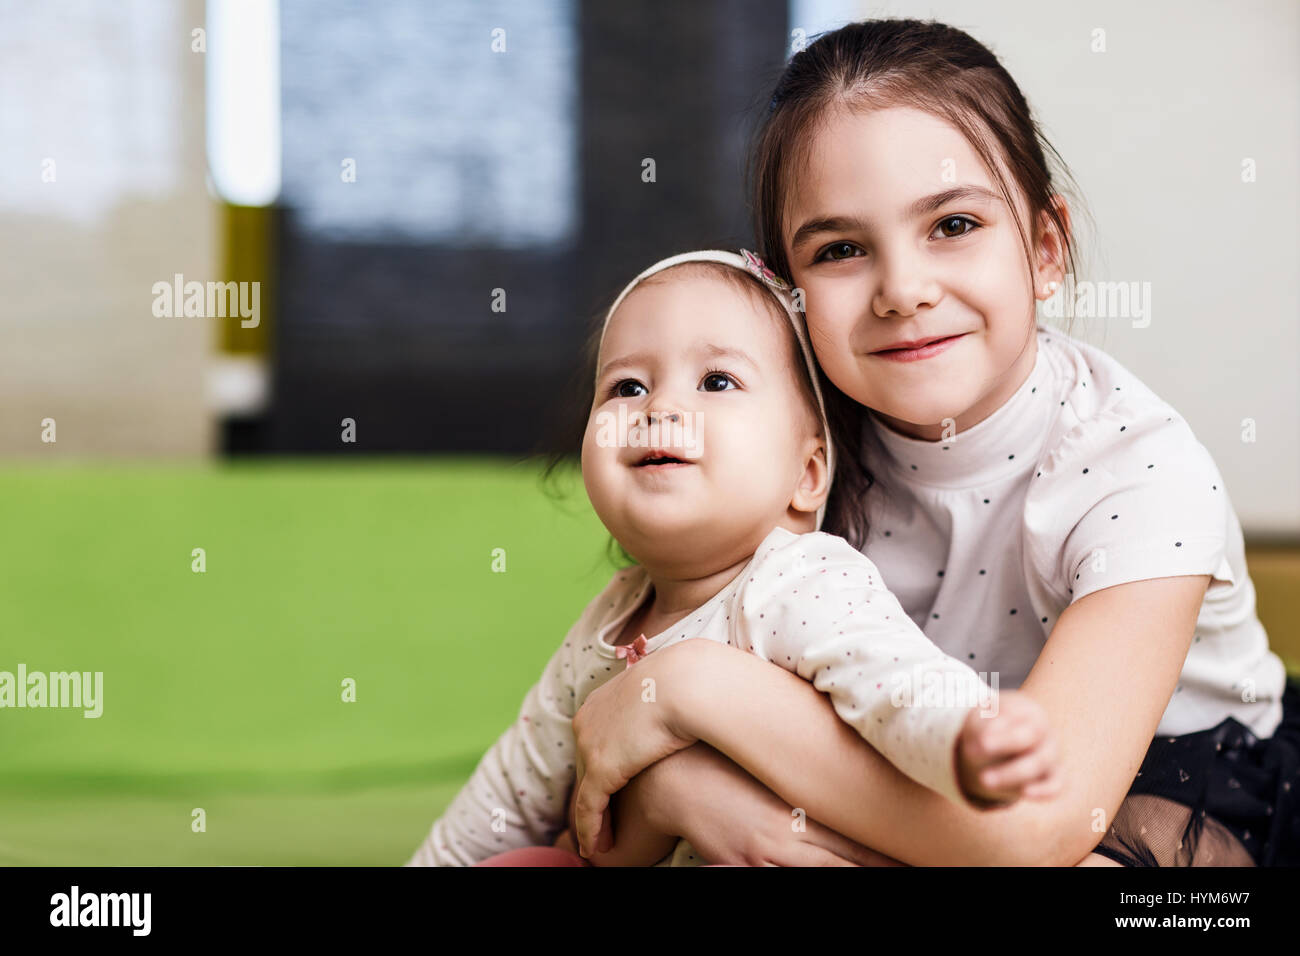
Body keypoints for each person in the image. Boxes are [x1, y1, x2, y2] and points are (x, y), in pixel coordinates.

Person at [568, 18, 1300, 867]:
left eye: (953, 225)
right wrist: (682, 788)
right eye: (841, 249)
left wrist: (693, 691)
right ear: (789, 296)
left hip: (1172, 783)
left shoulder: (1140, 471)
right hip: (912, 774)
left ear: (1044, 248)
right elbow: (600, 766)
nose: (904, 291)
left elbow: (1042, 828)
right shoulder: (789, 457)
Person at [404, 248, 1062, 867]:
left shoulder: (799, 582)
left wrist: (968, 738)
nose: (661, 407)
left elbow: (895, 685)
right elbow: (515, 785)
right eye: (627, 387)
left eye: (717, 380)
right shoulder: (607, 621)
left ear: (806, 476)